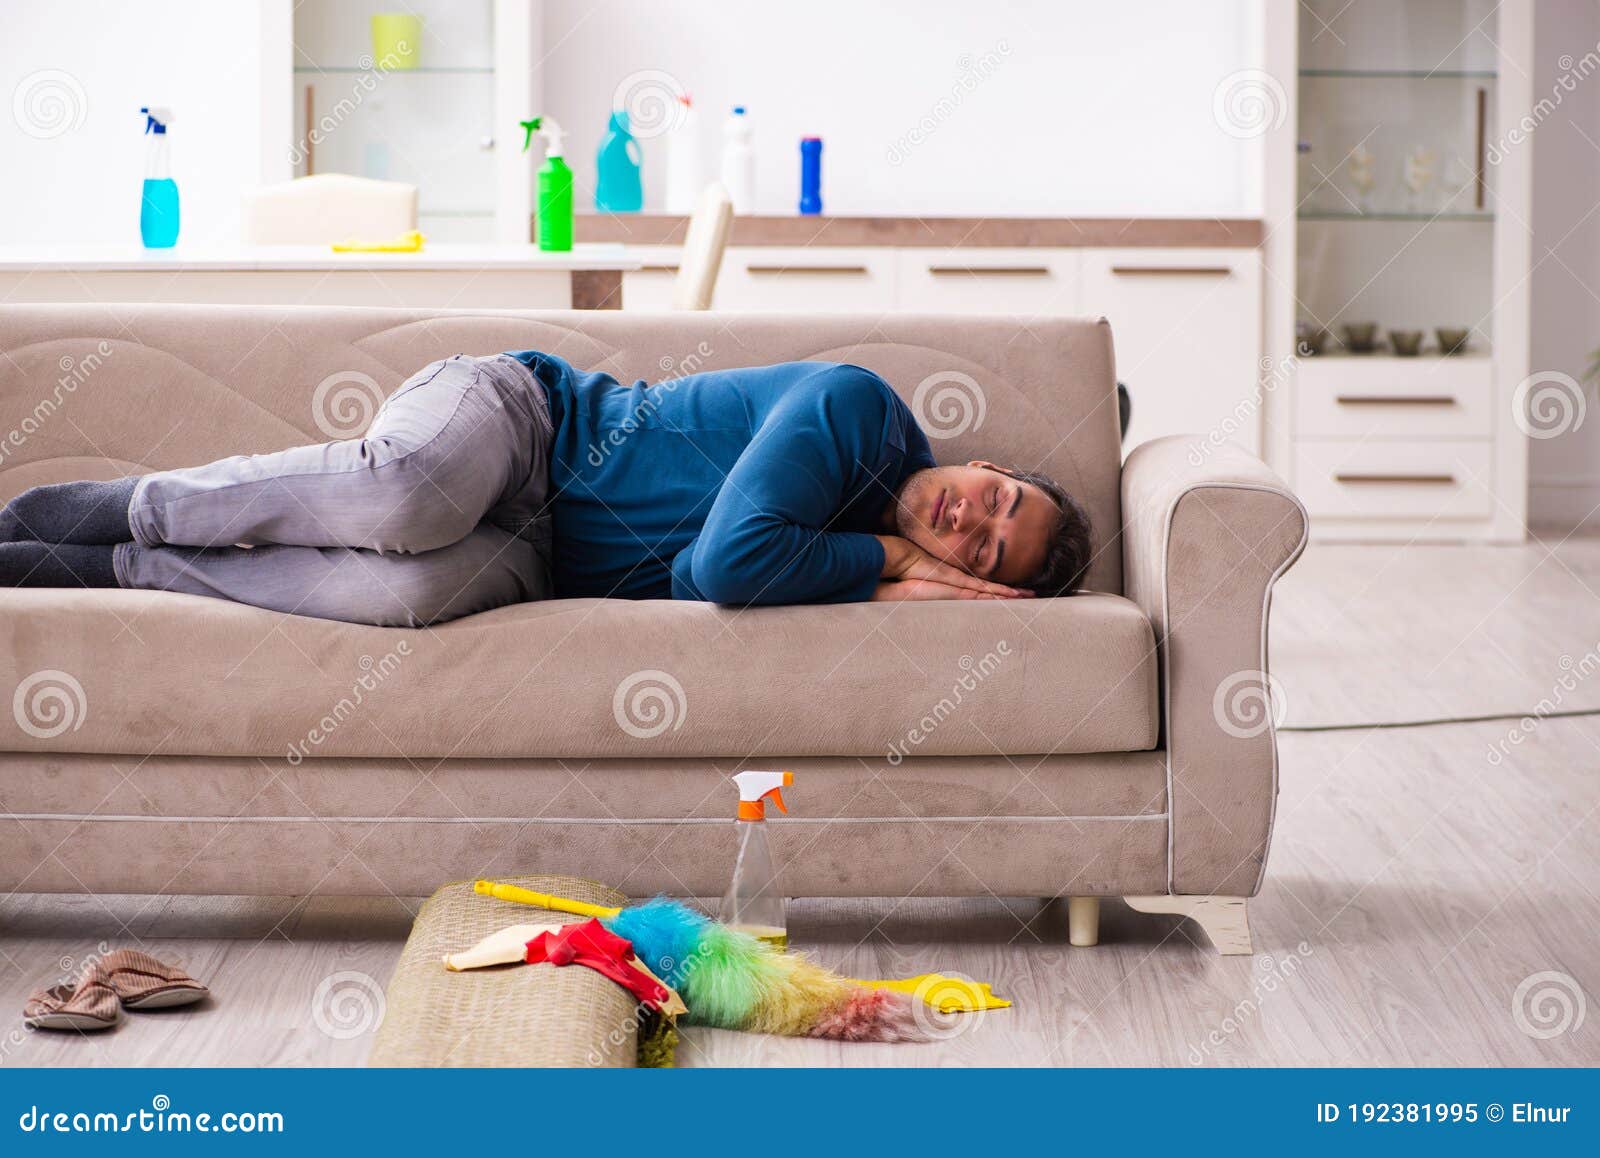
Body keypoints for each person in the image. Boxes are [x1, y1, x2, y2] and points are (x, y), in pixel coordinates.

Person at [0, 352, 1092, 626]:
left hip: (540, 558)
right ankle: (120, 506)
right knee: (407, 502)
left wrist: (881, 572)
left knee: (405, 598)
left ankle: (119, 566)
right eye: (999, 501)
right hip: (521, 423)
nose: (973, 522)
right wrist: (890, 562)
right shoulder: (857, 409)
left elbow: (727, 562)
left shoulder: (834, 551)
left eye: (986, 554)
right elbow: (721, 566)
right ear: (985, 467)